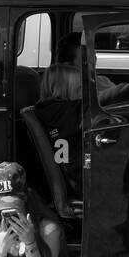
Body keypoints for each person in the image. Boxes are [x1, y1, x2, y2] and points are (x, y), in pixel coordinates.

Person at [31, 62, 83, 193]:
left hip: (72, 172)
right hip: (78, 178)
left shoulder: (49, 111)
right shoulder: (68, 111)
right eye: (79, 89)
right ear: (64, 89)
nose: (83, 93)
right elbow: (104, 99)